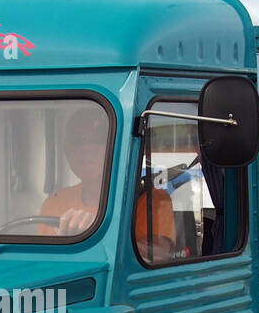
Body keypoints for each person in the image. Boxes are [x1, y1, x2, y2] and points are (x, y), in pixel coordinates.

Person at [39, 107, 175, 260]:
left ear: (116, 146)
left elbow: (159, 255)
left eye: (96, 141)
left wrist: (94, 235)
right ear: (66, 150)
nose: (85, 149)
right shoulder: (55, 201)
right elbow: (44, 260)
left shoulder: (150, 200)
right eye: (76, 142)